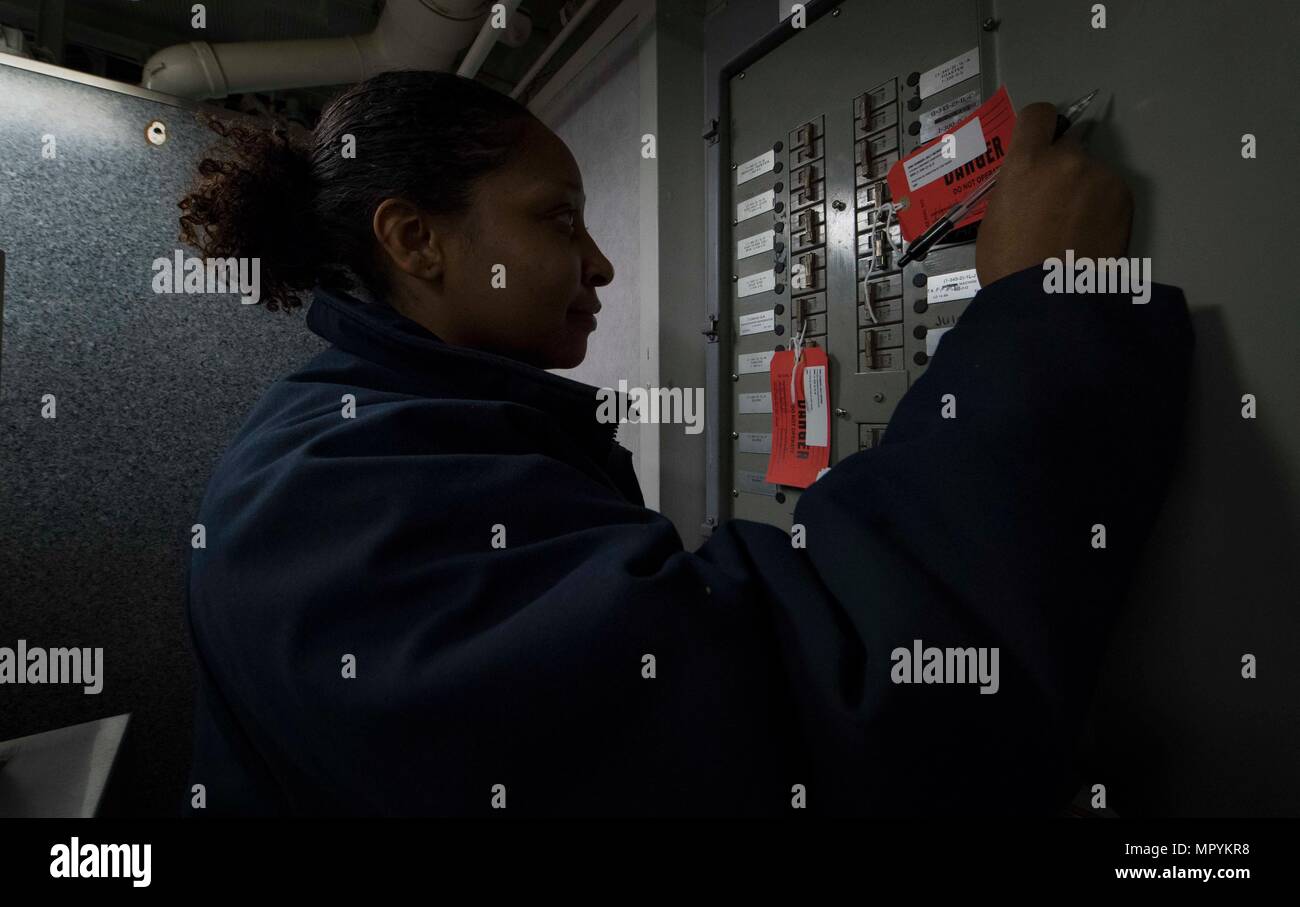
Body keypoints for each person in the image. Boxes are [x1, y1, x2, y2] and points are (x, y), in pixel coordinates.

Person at [179, 70, 1192, 816]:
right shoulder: (333, 489)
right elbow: (802, 718)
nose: (602, 263)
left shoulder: (377, 439)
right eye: (558, 218)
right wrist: (1042, 313)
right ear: (415, 240)